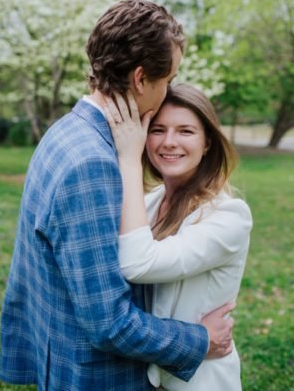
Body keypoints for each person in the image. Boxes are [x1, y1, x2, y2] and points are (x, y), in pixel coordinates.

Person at [0, 0, 236, 389]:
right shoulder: (93, 164)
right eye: (167, 80)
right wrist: (201, 340)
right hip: (97, 376)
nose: (168, 91)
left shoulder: (66, 130)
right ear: (141, 79)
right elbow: (108, 323)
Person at [104, 84, 251, 390]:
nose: (169, 142)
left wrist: (128, 160)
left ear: (208, 141)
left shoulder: (228, 216)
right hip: (145, 374)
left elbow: (136, 264)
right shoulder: (150, 202)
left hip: (199, 379)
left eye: (185, 131)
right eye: (158, 130)